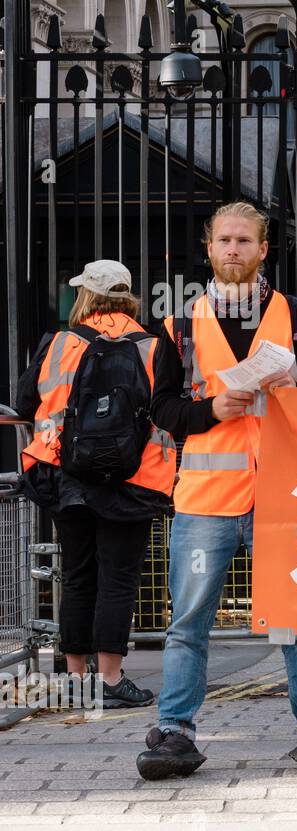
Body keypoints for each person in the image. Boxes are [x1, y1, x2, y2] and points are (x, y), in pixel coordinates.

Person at [136, 201, 297, 781]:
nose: (233, 249)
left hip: (284, 496)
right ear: (208, 248)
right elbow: (162, 410)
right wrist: (210, 408)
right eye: (224, 240)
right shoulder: (180, 328)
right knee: (190, 622)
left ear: (263, 250)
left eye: (244, 241)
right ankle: (174, 732)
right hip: (207, 497)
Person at [16, 260, 175, 709]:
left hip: (68, 476)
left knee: (79, 576)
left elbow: (27, 401)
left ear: (86, 295)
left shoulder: (60, 342)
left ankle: (74, 679)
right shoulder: (152, 346)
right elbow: (169, 410)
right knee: (118, 580)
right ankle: (111, 677)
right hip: (136, 479)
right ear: (129, 299)